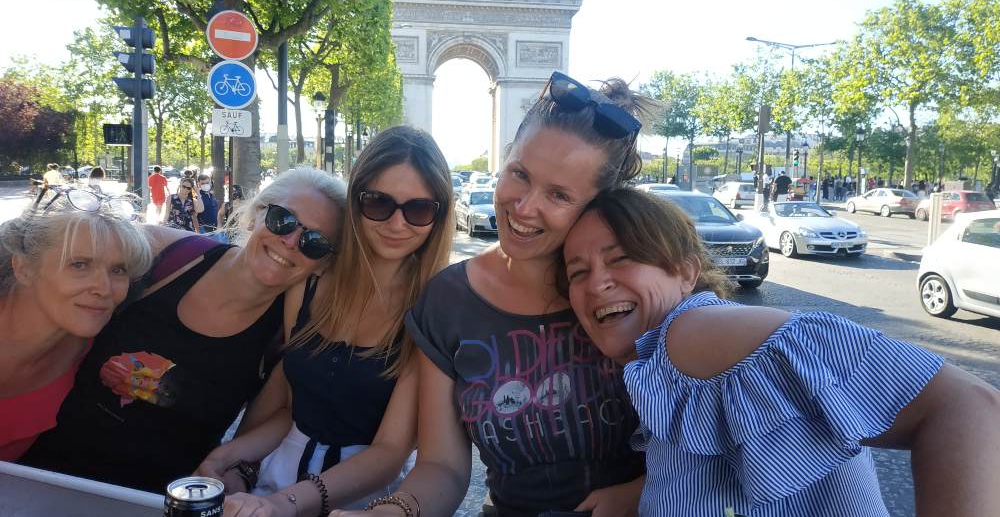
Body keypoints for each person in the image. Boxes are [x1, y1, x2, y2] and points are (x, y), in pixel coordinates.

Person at [561, 187, 1000, 516]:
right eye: (577, 272)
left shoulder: (692, 333)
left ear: (685, 273)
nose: (596, 282)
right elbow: (723, 466)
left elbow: (969, 405)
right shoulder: (671, 365)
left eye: (619, 259)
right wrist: (637, 494)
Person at [332, 72, 652, 517]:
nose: (523, 207)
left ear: (598, 204)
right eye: (519, 174)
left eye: (559, 194)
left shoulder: (636, 284)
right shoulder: (446, 300)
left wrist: (641, 491)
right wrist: (393, 511)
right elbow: (442, 466)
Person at [21, 168, 347, 493]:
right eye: (283, 220)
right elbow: (43, 271)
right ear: (254, 216)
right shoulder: (165, 255)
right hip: (42, 478)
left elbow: (257, 436)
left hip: (161, 500)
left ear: (323, 263)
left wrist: (239, 474)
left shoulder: (286, 334)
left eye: (314, 242)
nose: (290, 242)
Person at [198, 126, 455, 517]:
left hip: (362, 501)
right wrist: (229, 458)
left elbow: (389, 452)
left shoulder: (431, 309)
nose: (397, 223)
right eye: (378, 203)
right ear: (356, 201)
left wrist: (286, 502)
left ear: (439, 215)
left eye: (418, 209)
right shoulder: (309, 282)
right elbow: (295, 408)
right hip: (274, 480)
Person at [1, 190, 152, 461]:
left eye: (118, 270)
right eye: (79, 265)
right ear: (23, 268)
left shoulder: (92, 351)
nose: (104, 289)